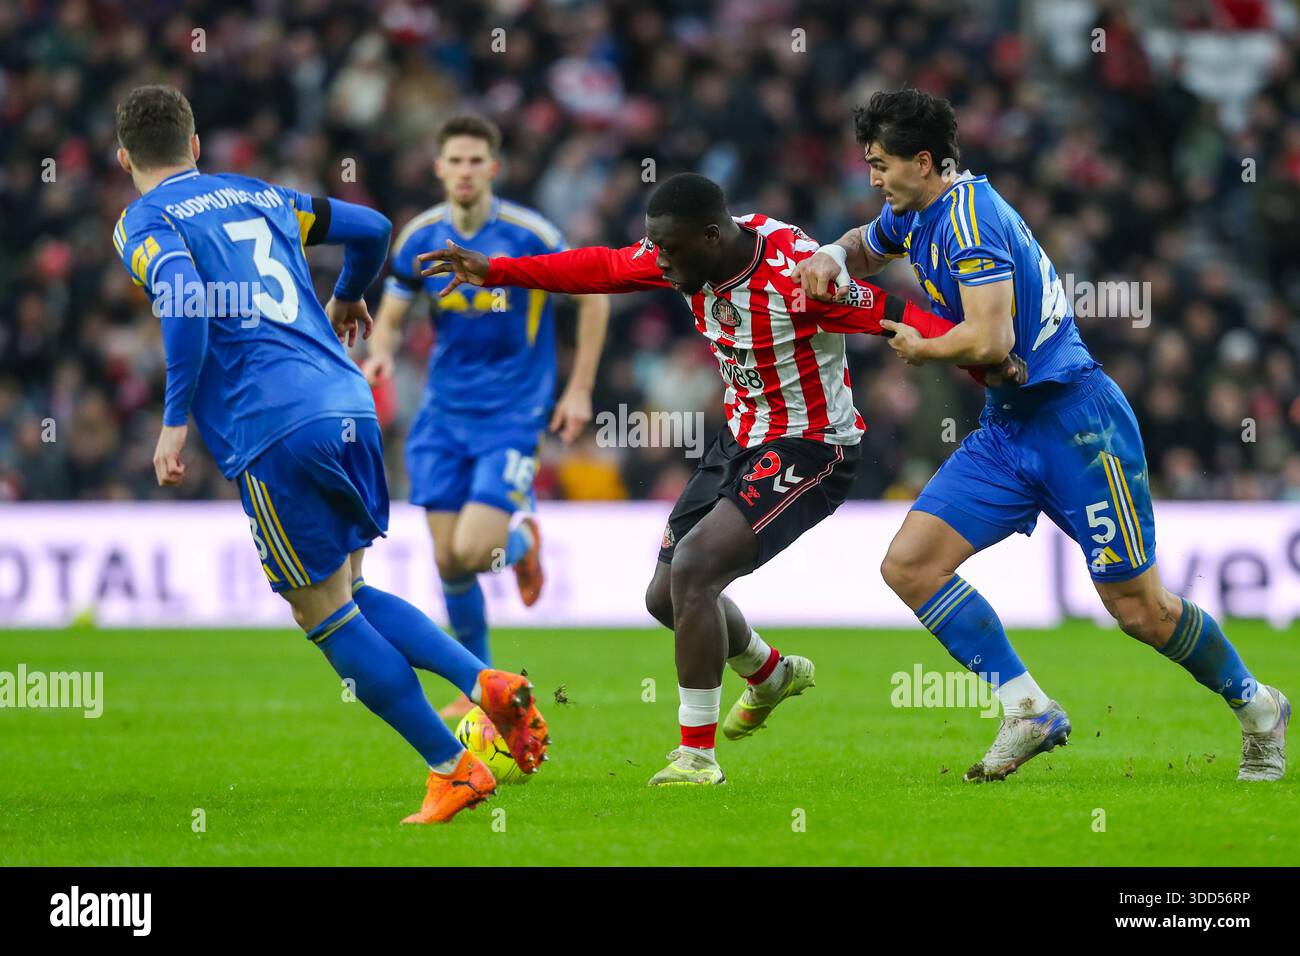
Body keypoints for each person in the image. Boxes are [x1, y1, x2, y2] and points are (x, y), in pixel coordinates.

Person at [418, 172, 1018, 786]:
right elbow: (596, 268)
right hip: (740, 441)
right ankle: (768, 671)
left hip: (813, 447)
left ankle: (697, 757)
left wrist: (993, 358)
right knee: (664, 598)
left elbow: (902, 314)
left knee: (695, 569)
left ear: (711, 236)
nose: (663, 264)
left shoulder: (795, 275)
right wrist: (496, 272)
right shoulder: (682, 256)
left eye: (672, 251)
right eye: (658, 250)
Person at [796, 89, 1288, 782]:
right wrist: (831, 254)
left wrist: (921, 347)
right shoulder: (916, 211)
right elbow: (866, 246)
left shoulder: (968, 223)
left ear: (926, 162)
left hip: (1078, 426)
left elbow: (990, 340)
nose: (872, 178)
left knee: (1140, 610)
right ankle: (1027, 708)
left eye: (880, 165)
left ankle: (1258, 706)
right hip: (1007, 428)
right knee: (910, 565)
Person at [113, 85, 548, 823]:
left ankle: (454, 768)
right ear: (193, 145)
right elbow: (373, 226)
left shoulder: (142, 221)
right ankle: (487, 684)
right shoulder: (254, 192)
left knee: (321, 615)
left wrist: (174, 419)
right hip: (349, 401)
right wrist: (348, 294)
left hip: (273, 424)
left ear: (125, 158)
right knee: (351, 589)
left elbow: (182, 299)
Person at [363, 116, 609, 719]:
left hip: (512, 413)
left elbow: (595, 296)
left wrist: (578, 390)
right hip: (443, 414)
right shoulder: (421, 235)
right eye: (456, 160)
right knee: (447, 561)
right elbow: (392, 313)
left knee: (475, 551)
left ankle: (522, 541)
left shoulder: (529, 234)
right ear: (439, 167)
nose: (466, 170)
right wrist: (380, 355)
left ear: (493, 168)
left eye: (478, 160)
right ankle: (476, 687)